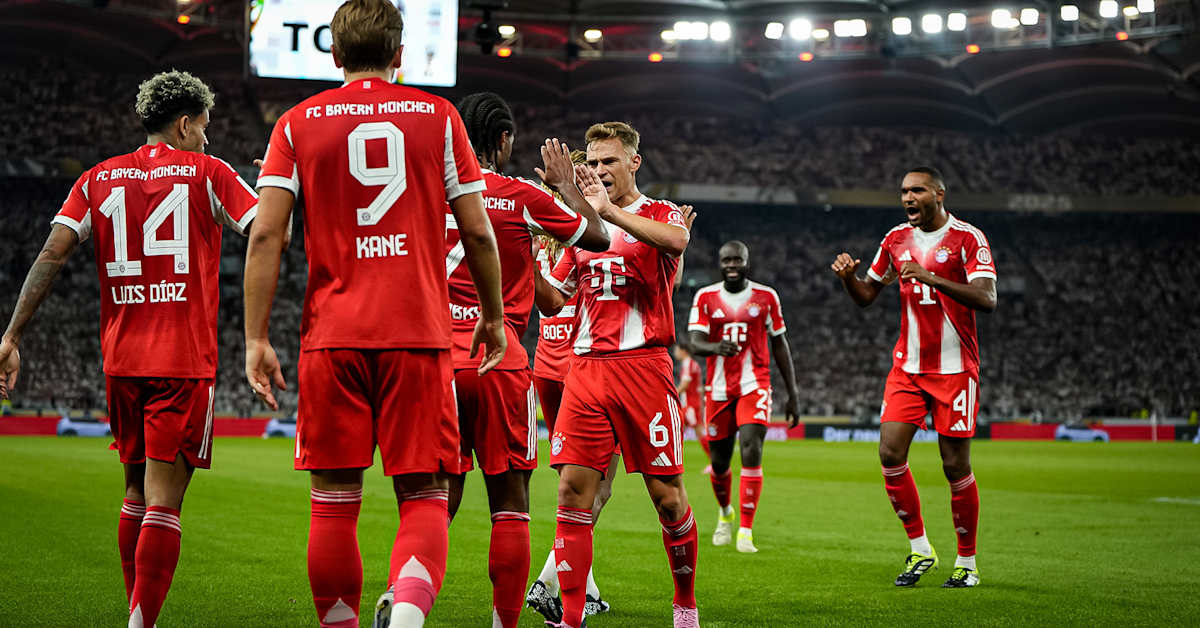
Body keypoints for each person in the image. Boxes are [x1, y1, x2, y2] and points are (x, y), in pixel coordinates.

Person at [243, 2, 506, 627]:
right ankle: (410, 617)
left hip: (331, 338)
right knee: (423, 495)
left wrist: (256, 336)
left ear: (333, 55)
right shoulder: (439, 118)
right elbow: (478, 231)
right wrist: (493, 317)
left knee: (334, 503)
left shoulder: (296, 125)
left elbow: (264, 237)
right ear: (399, 54)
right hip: (417, 335)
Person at [0, 70, 258, 627]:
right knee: (165, 502)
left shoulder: (96, 179)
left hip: (122, 362)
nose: (208, 140)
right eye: (205, 128)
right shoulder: (211, 172)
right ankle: (141, 623)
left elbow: (52, 252)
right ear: (185, 123)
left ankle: (136, 614)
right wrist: (281, 185)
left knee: (136, 491)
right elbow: (264, 228)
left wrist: (12, 334)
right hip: (182, 362)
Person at [404, 92, 609, 628]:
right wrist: (566, 187)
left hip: (433, 361)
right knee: (510, 504)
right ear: (502, 140)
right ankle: (504, 623)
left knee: (433, 501)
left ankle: (407, 607)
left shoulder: (422, 195)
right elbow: (599, 237)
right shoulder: (519, 196)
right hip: (500, 361)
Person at [539, 121, 699, 628]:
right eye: (592, 161)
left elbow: (676, 241)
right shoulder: (582, 229)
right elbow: (556, 299)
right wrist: (519, 259)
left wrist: (607, 214)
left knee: (667, 498)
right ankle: (569, 617)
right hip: (585, 369)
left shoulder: (660, 213)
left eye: (609, 160)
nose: (599, 170)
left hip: (644, 369)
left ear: (634, 162)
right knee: (572, 493)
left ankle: (685, 603)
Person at [830, 166, 997, 588]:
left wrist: (931, 277)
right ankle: (921, 548)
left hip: (956, 369)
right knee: (889, 453)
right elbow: (868, 297)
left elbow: (987, 298)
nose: (908, 197)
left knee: (954, 464)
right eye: (903, 191)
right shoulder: (894, 239)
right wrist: (850, 280)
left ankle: (968, 562)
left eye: (917, 190)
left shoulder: (968, 238)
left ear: (939, 193)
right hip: (908, 367)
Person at [526, 151, 616, 624]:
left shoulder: (540, 230)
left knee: (572, 487)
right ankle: (547, 579)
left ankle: (588, 589)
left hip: (545, 362)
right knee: (595, 489)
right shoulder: (592, 232)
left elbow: (545, 301)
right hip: (589, 368)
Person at [687, 241, 799, 553]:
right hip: (719, 389)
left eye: (737, 259)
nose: (732, 265)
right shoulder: (706, 297)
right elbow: (694, 342)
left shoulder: (766, 297)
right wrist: (715, 348)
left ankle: (746, 531)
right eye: (726, 260)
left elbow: (780, 344)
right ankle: (726, 514)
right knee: (720, 464)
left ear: (747, 262)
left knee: (751, 449)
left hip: (755, 384)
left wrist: (793, 393)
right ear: (719, 263)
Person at [672, 342, 708, 461]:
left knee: (698, 432)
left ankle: (714, 462)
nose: (675, 353)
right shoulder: (694, 364)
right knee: (677, 430)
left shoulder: (688, 364)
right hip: (693, 403)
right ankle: (674, 459)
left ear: (683, 351)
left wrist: (672, 393)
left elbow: (685, 385)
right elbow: (699, 386)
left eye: (677, 350)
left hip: (691, 405)